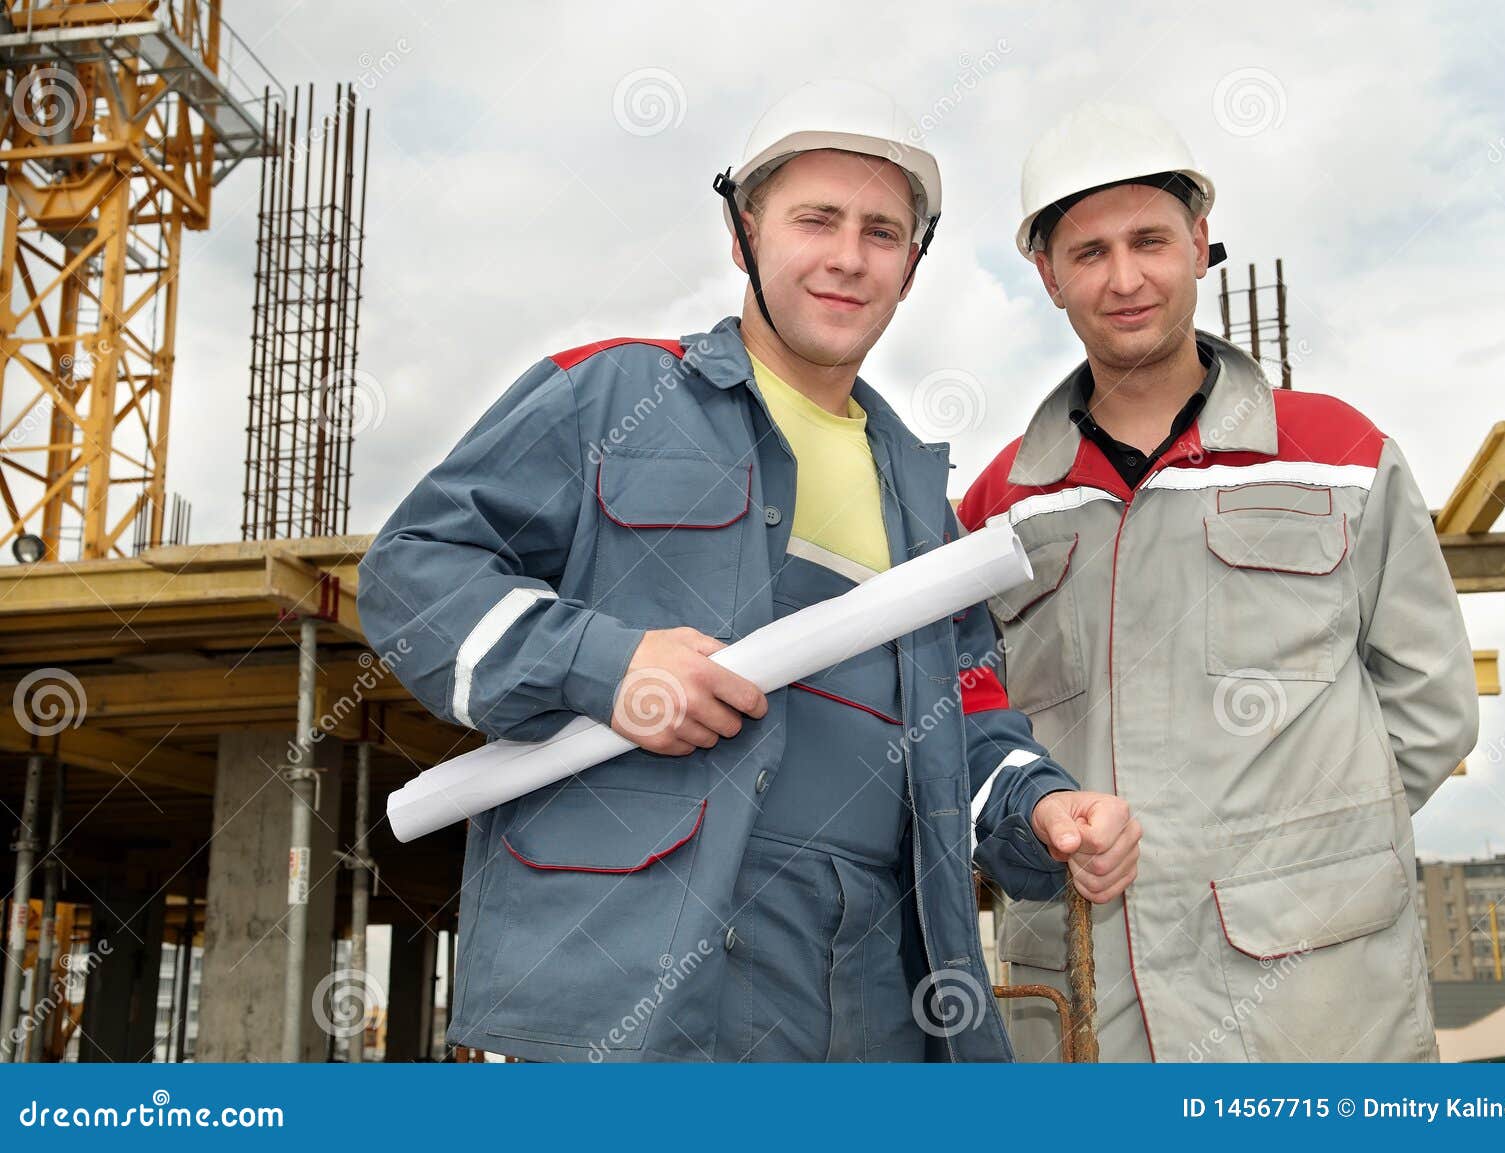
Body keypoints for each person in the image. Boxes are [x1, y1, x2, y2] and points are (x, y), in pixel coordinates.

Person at [358, 80, 1140, 1063]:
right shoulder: (612, 396)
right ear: (743, 237)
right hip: (636, 994)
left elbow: (971, 716)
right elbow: (413, 572)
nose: (848, 257)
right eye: (816, 219)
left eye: (882, 233)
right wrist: (604, 662)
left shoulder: (922, 503)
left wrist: (1041, 807)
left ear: (909, 270)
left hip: (876, 998)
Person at [959, 101, 1478, 1062]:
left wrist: (1292, 861)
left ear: (1200, 242)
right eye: (1090, 253)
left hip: (1315, 1006)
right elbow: (970, 726)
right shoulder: (1001, 505)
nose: (1125, 279)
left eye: (1151, 240)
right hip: (1085, 996)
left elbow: (1432, 705)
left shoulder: (1339, 454)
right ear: (1046, 276)